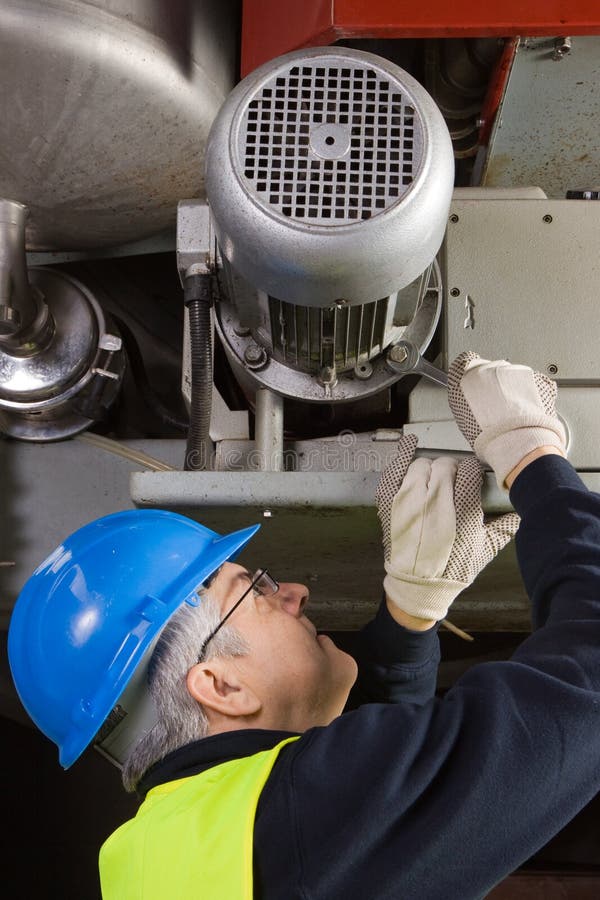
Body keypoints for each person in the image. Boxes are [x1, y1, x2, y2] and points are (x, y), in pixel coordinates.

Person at [8, 350, 600, 900]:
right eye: (256, 591)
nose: (295, 591)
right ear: (221, 686)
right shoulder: (304, 818)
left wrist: (410, 613)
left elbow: (360, 801)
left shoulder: (153, 856)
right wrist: (530, 452)